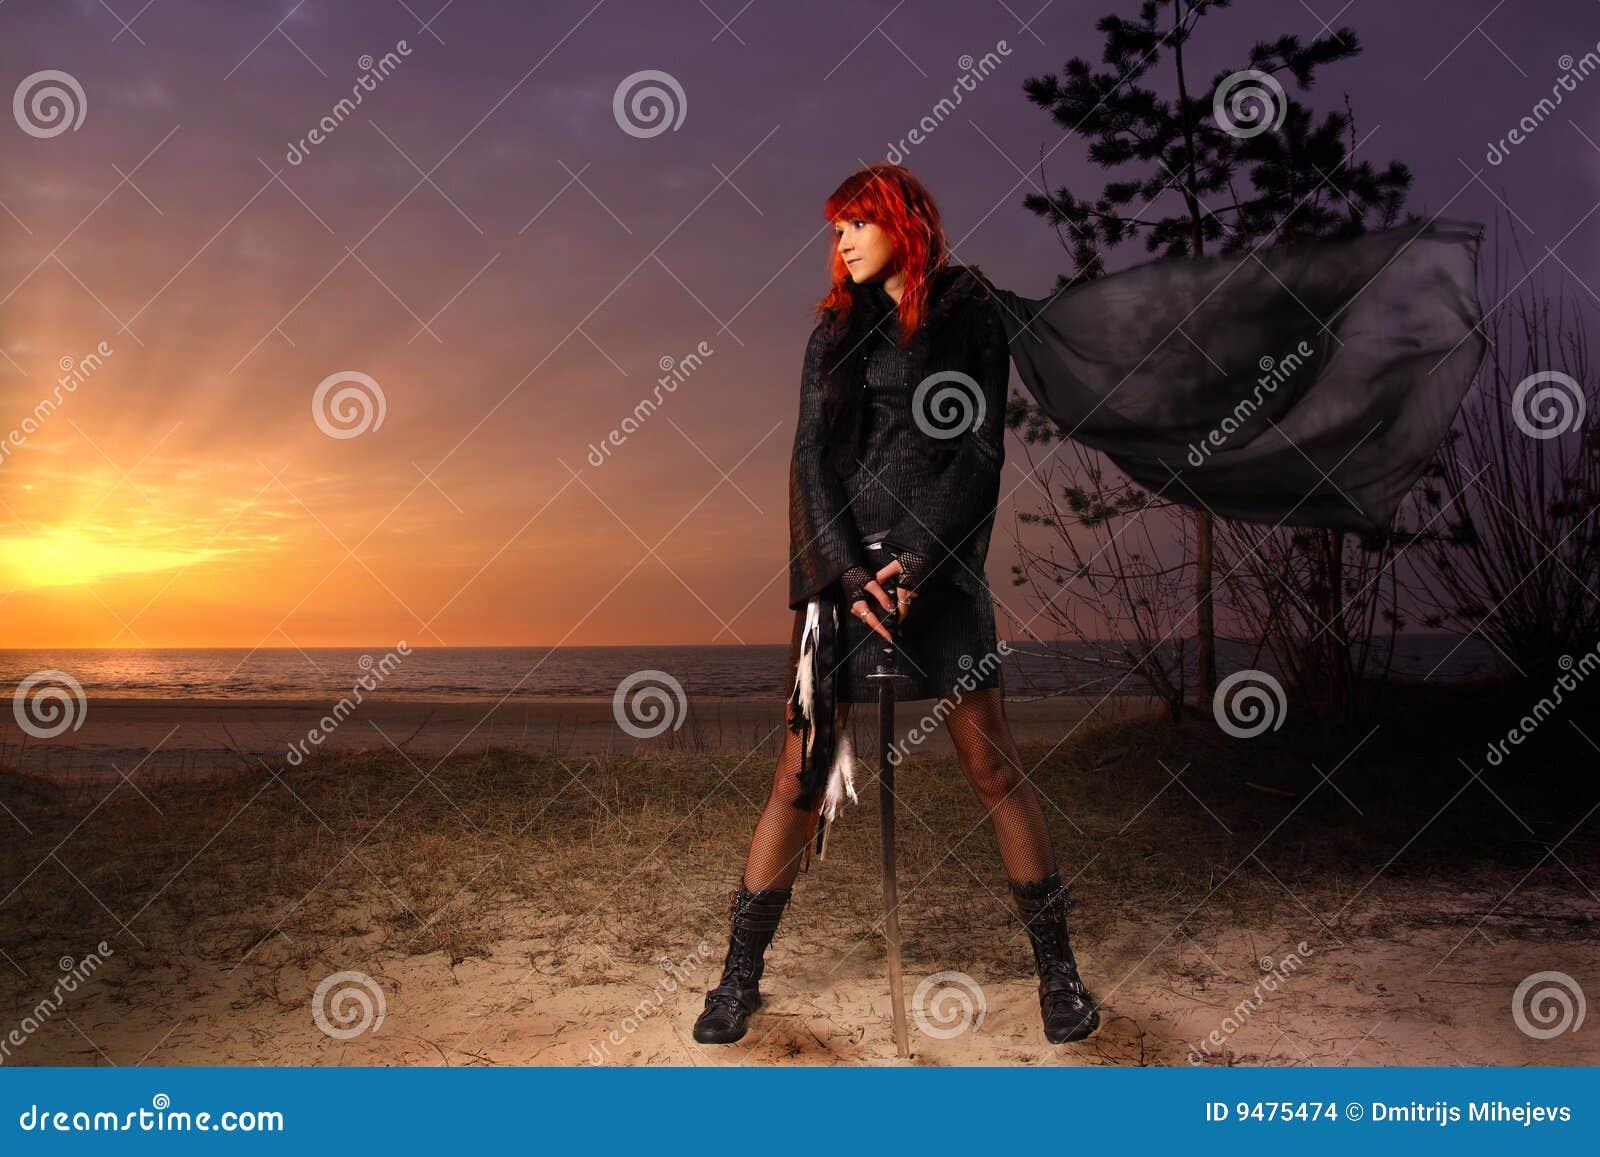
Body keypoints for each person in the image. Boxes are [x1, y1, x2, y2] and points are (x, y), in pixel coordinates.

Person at [693, 163, 1097, 1047]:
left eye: (855, 223)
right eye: (834, 228)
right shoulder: (832, 330)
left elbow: (980, 452)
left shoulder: (968, 310)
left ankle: (1059, 975)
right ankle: (737, 978)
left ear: (902, 223)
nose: (839, 241)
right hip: (843, 582)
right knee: (798, 777)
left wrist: (918, 564)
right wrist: (846, 575)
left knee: (994, 768)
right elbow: (809, 460)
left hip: (940, 571)